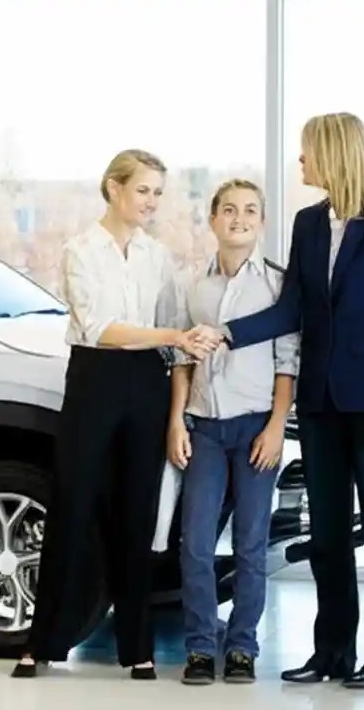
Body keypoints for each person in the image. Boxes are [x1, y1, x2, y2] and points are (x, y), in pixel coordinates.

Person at [215, 112, 364, 689]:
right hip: (321, 403)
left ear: (334, 153)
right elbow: (291, 310)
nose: (300, 162)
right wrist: (227, 332)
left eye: (307, 152)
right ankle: (331, 652)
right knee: (326, 532)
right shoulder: (308, 224)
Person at [12, 149, 220, 680]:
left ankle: (138, 646)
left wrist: (177, 400)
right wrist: (173, 336)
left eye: (157, 193)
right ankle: (42, 642)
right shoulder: (80, 250)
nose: (151, 202)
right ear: (113, 188)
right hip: (95, 379)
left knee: (137, 516)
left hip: (146, 384)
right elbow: (100, 326)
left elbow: (174, 342)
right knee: (72, 506)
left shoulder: (158, 257)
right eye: (143, 190)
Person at [165, 179, 298, 685]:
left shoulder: (277, 286)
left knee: (249, 544)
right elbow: (180, 358)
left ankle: (242, 646)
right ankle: (201, 646)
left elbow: (287, 363)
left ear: (261, 222)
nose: (238, 218)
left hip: (255, 431)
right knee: (195, 543)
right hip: (204, 431)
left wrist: (275, 428)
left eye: (249, 211)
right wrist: (177, 420)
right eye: (228, 210)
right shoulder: (191, 285)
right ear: (213, 220)